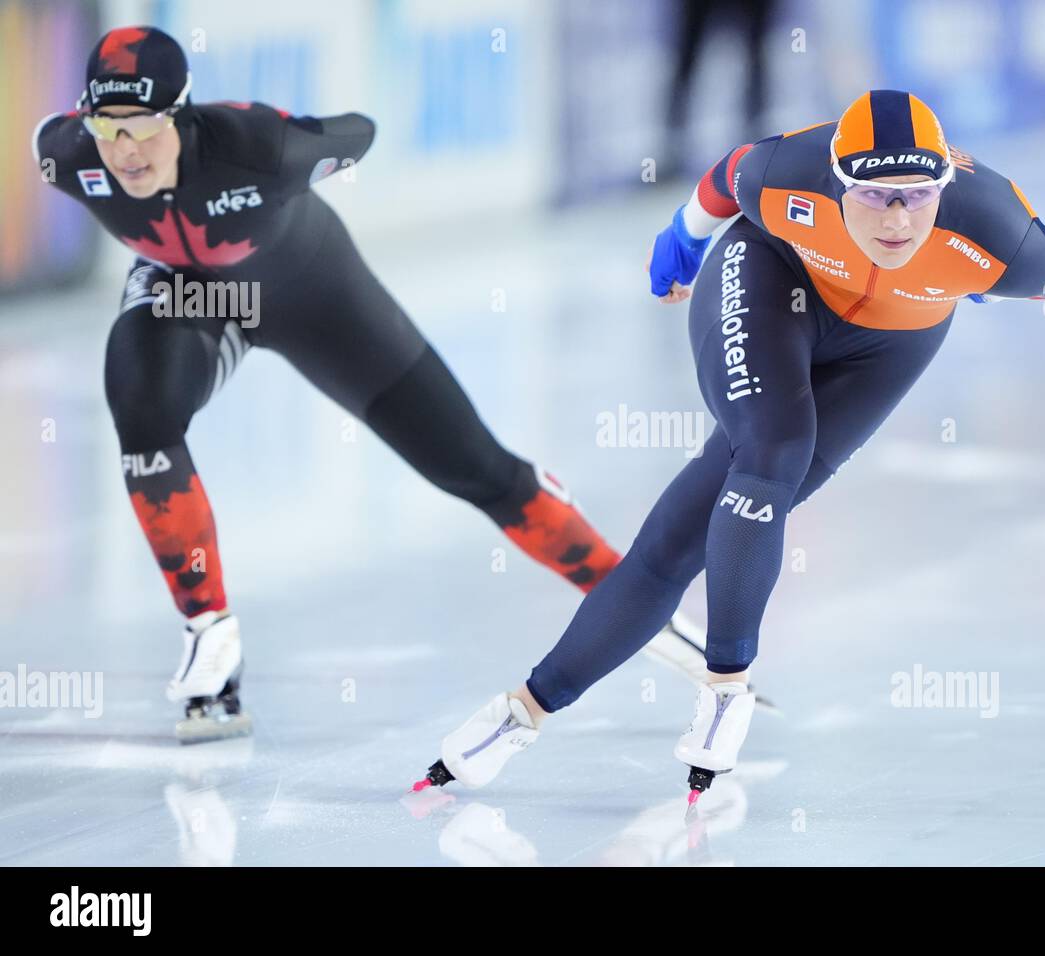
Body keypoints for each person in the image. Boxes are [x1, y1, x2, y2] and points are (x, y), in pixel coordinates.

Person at [33, 26, 717, 743]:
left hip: (313, 295)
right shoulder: (65, 152)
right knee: (142, 410)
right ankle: (210, 632)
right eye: (107, 127)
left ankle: (632, 595)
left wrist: (304, 158)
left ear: (180, 113)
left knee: (476, 469)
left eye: (142, 126)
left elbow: (358, 133)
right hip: (196, 299)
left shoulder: (257, 148)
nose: (125, 150)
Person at [416, 89, 1045, 799]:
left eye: (917, 195)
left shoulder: (1002, 239)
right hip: (771, 279)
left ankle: (520, 713)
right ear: (836, 183)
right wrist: (684, 237)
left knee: (688, 538)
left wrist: (1018, 279)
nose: (897, 219)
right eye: (871, 195)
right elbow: (725, 176)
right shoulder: (786, 170)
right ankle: (727, 687)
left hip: (891, 346)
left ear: (944, 187)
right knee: (776, 449)